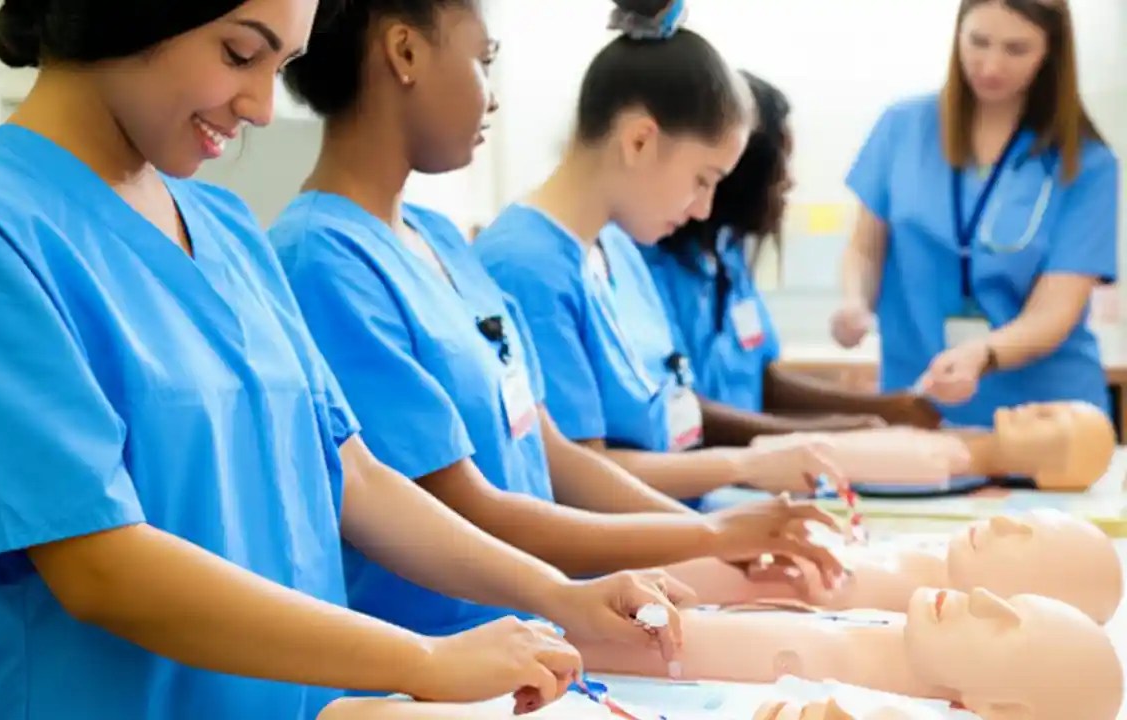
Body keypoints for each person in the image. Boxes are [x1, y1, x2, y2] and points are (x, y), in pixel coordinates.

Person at [0, 2, 702, 718]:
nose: (263, 106)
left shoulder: (224, 227)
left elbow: (354, 478)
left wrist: (556, 593)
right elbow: (100, 564)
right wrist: (421, 661)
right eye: (239, 53)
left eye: (282, 63)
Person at [270, 0, 847, 644]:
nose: (492, 99)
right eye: (483, 59)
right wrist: (710, 530)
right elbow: (467, 507)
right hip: (442, 652)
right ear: (404, 53)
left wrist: (720, 537)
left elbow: (557, 457)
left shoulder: (440, 241)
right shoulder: (321, 260)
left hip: (536, 634)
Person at [474, 9, 847, 509]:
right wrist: (746, 466)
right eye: (703, 179)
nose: (705, 209)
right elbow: (575, 477)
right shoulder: (524, 267)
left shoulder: (622, 249)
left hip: (682, 524)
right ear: (639, 141)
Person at [831, 0, 1119, 428]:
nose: (989, 65)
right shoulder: (902, 127)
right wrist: (854, 301)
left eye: (1016, 49)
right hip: (920, 403)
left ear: (1051, 52)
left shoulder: (1087, 163)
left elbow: (1055, 310)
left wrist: (982, 354)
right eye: (978, 41)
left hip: (1046, 417)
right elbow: (866, 250)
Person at [644, 71, 941, 447]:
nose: (789, 181)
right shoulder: (648, 266)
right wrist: (832, 432)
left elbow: (760, 382)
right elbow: (678, 408)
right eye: (781, 162)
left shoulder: (725, 255)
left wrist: (887, 408)